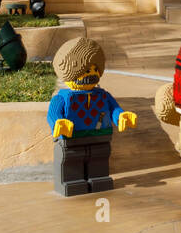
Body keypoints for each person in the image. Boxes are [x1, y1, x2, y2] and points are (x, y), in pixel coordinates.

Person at [47, 37, 136, 196]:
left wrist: (121, 116)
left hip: (100, 137)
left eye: (96, 69)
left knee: (99, 159)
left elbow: (113, 108)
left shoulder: (103, 95)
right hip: (72, 137)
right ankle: (71, 183)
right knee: (71, 160)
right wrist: (58, 122)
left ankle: (99, 180)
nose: (93, 74)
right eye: (87, 70)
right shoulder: (62, 97)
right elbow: (53, 112)